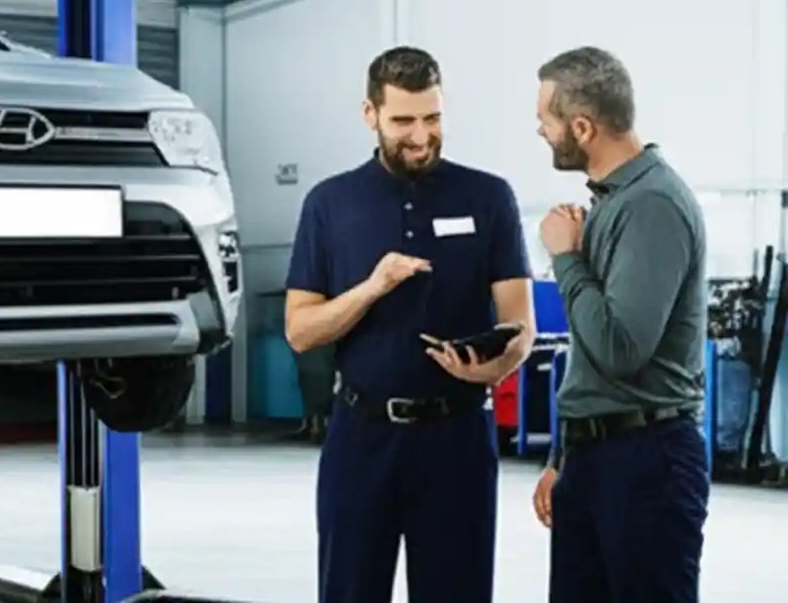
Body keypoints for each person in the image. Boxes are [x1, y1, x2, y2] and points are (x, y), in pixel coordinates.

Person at [284, 46, 535, 603]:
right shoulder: (329, 204)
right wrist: (373, 287)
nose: (420, 136)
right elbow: (300, 330)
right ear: (369, 114)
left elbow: (521, 325)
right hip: (361, 437)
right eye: (403, 121)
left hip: (458, 438)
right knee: (349, 591)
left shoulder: (489, 197)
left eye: (433, 118)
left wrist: (489, 367)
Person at [528, 46, 710, 602]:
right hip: (599, 456)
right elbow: (592, 355)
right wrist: (566, 455)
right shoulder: (613, 202)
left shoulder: (651, 205)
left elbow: (620, 347)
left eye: (546, 120)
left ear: (582, 126)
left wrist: (565, 259)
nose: (539, 130)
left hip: (646, 464)